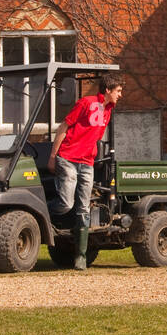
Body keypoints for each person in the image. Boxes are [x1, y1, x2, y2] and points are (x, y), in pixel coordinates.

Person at [48, 74, 123, 270]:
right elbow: (64, 126)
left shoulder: (108, 110)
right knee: (66, 203)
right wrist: (53, 155)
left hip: (87, 163)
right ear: (107, 90)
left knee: (83, 208)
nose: (120, 95)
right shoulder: (85, 102)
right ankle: (39, 213)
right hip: (68, 158)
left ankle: (80, 257)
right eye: (118, 91)